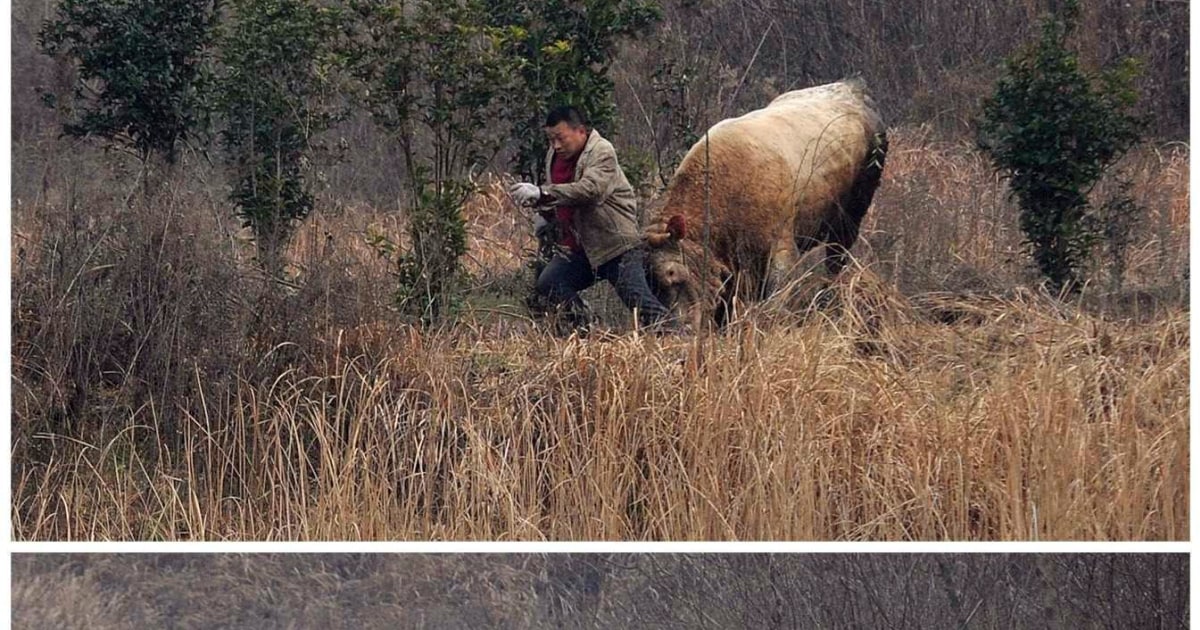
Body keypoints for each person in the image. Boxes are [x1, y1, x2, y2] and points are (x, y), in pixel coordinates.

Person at [510, 106, 675, 334]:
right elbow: (560, 194)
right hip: (579, 249)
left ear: (580, 131)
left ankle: (678, 341)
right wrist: (544, 213)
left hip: (616, 246)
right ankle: (590, 331)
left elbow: (591, 190)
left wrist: (542, 193)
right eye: (551, 139)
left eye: (560, 138)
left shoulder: (602, 151)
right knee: (549, 283)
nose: (556, 145)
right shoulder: (554, 156)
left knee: (640, 304)